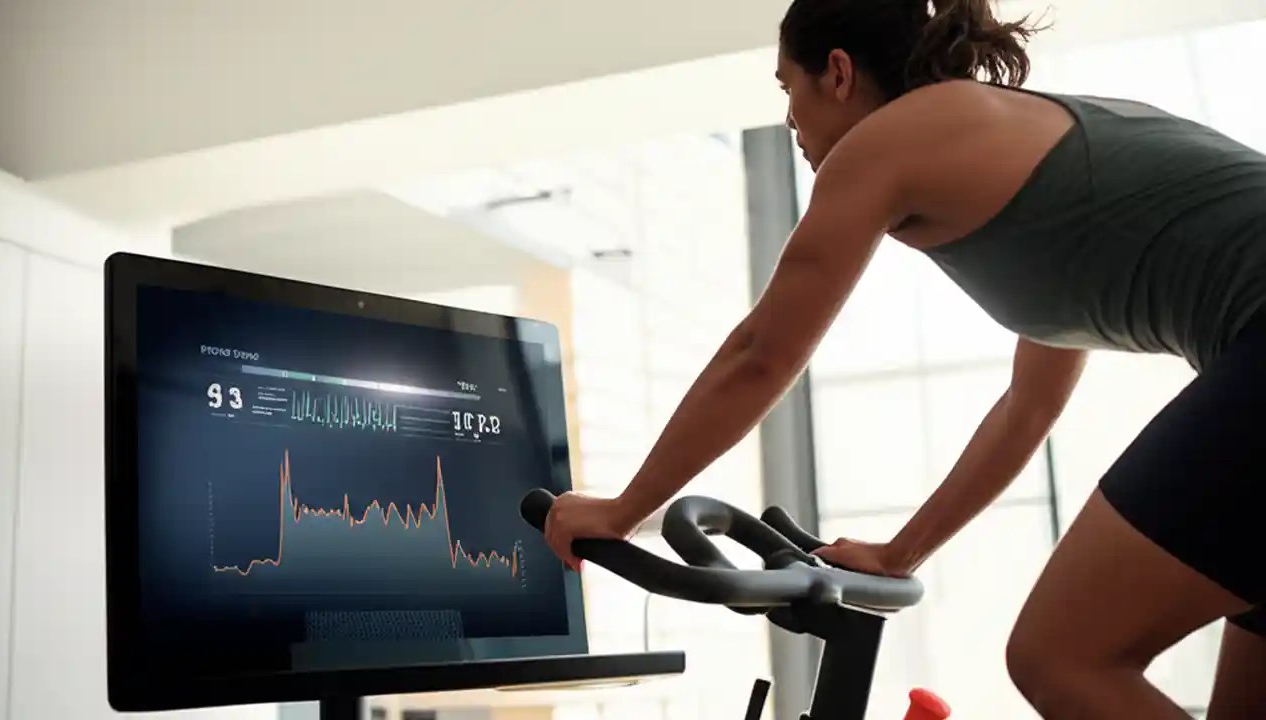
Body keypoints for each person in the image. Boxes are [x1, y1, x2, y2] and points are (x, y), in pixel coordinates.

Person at [539, 0, 1266, 717]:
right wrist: (899, 553)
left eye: (788, 89)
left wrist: (623, 509)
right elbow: (1028, 407)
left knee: (1061, 657)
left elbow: (762, 353)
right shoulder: (1006, 146)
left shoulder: (895, 139)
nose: (789, 119)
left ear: (839, 73)